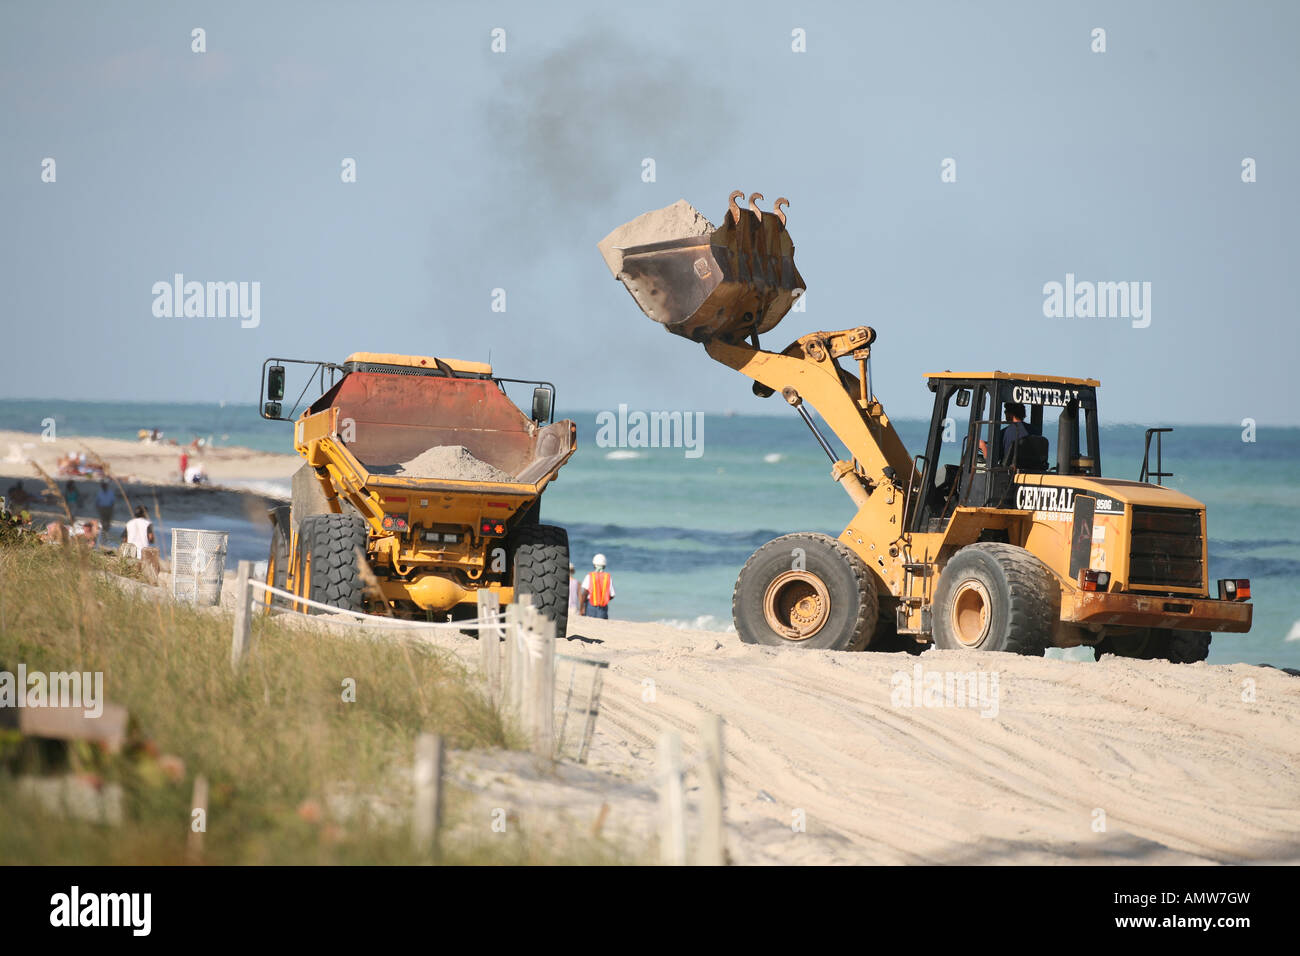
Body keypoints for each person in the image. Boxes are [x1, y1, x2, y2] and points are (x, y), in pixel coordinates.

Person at [580, 554, 615, 619]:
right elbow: (612, 595)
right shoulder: (608, 577)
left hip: (590, 606)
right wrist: (604, 599)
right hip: (603, 607)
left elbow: (584, 593)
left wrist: (582, 607)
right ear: (604, 566)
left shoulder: (590, 576)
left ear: (594, 565)